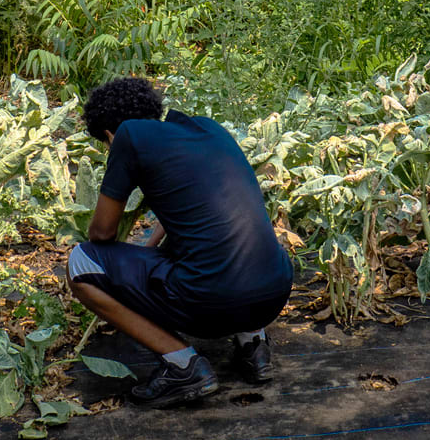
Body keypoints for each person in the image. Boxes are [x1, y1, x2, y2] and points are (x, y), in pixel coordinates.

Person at [68, 77, 294, 407]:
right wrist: (151, 246)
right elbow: (196, 212)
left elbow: (101, 234)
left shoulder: (127, 137)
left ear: (108, 135)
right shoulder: (208, 129)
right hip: (274, 291)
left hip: (213, 300)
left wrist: (130, 270)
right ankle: (253, 345)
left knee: (80, 262)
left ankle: (182, 364)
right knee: (223, 241)